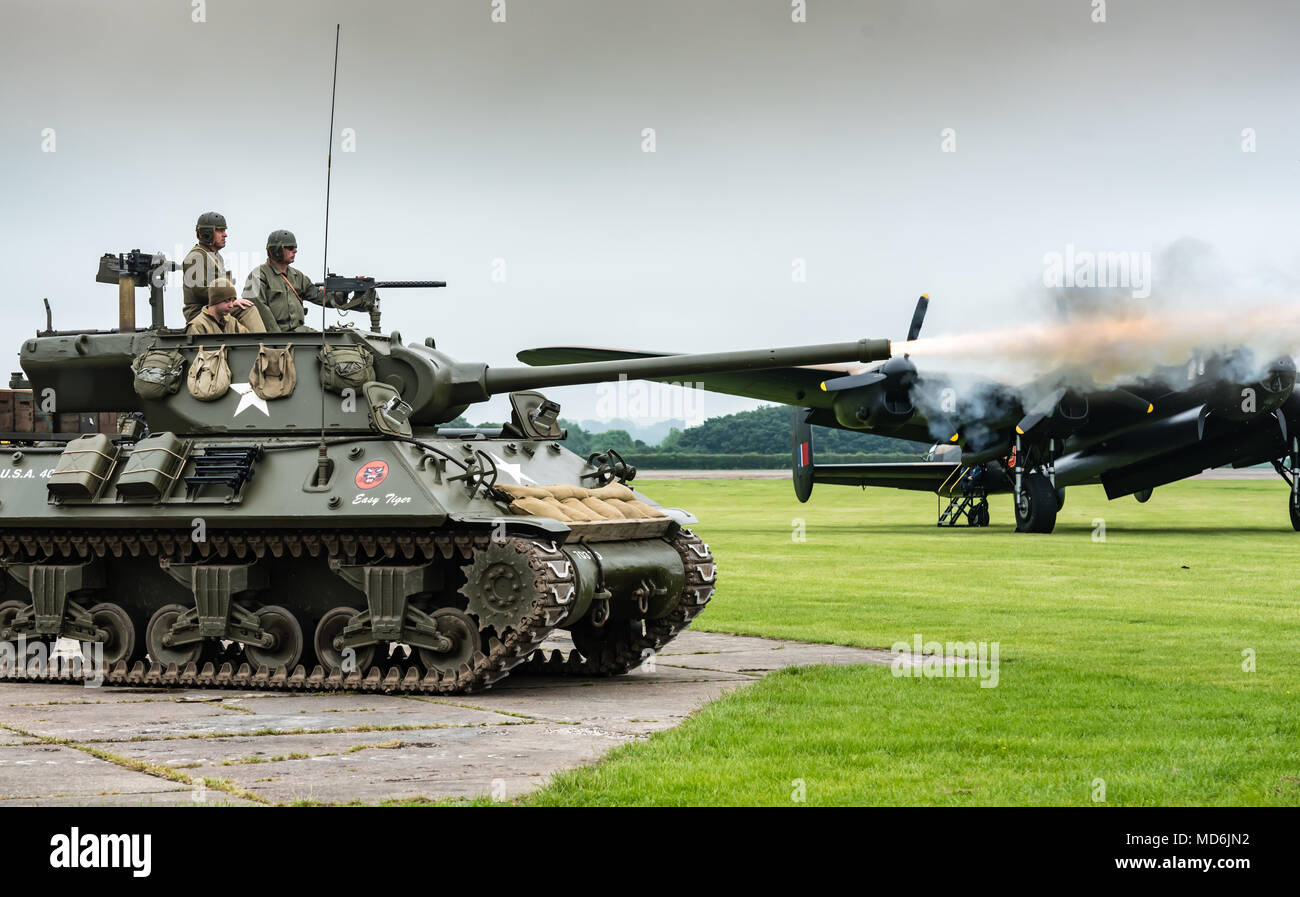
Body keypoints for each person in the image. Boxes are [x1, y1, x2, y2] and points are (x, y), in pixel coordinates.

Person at [181, 212, 266, 332]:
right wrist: (230, 300)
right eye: (220, 231)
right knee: (247, 310)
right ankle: (263, 347)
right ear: (207, 234)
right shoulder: (196, 256)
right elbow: (199, 290)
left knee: (248, 305)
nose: (225, 235)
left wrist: (229, 300)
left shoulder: (215, 257)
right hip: (200, 310)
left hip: (217, 307)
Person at [242, 229, 334, 332]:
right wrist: (276, 338)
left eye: (295, 247)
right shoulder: (258, 275)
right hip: (275, 336)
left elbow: (318, 295)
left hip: (298, 332)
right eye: (290, 248)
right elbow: (257, 308)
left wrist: (343, 292)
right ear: (276, 250)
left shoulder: (297, 276)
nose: (295, 250)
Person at [186, 277, 263, 335]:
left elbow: (249, 341)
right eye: (227, 301)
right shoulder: (197, 326)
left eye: (233, 301)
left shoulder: (232, 322)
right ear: (215, 300)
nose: (231, 305)